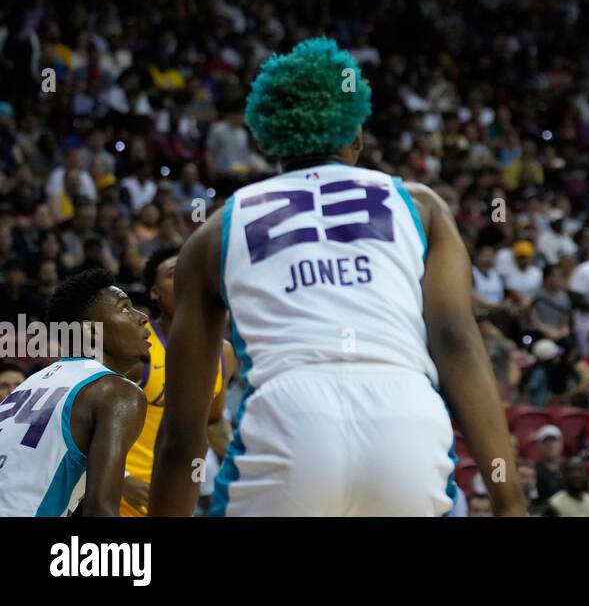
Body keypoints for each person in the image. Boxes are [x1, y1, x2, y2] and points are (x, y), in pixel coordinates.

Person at [150, 38, 526, 517]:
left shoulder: (212, 235)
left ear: (266, 139)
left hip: (289, 425)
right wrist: (510, 503)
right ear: (357, 136)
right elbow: (456, 343)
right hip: (406, 419)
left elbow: (183, 435)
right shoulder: (421, 205)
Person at [0, 269, 148, 516]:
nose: (142, 317)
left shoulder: (31, 382)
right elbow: (100, 511)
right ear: (91, 330)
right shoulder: (116, 392)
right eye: (125, 308)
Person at [119, 244, 237, 516]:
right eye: (174, 274)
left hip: (178, 497)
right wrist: (122, 479)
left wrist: (241, 461)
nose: (186, 280)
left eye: (190, 273)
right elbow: (87, 418)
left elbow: (213, 422)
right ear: (154, 292)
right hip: (123, 496)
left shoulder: (223, 352)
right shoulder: (134, 344)